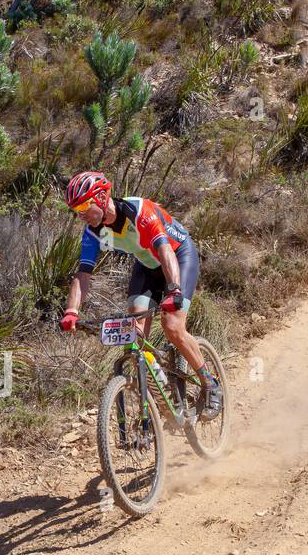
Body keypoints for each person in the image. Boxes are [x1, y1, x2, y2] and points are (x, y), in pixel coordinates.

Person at [58, 170, 222, 419]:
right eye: (75, 209)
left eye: (83, 205)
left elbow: (165, 249)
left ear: (102, 197)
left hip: (178, 256)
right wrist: (72, 311)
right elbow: (83, 275)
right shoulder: (93, 232)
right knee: (134, 335)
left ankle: (210, 384)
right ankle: (162, 398)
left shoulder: (139, 211)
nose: (80, 214)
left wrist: (174, 289)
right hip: (147, 265)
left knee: (172, 325)